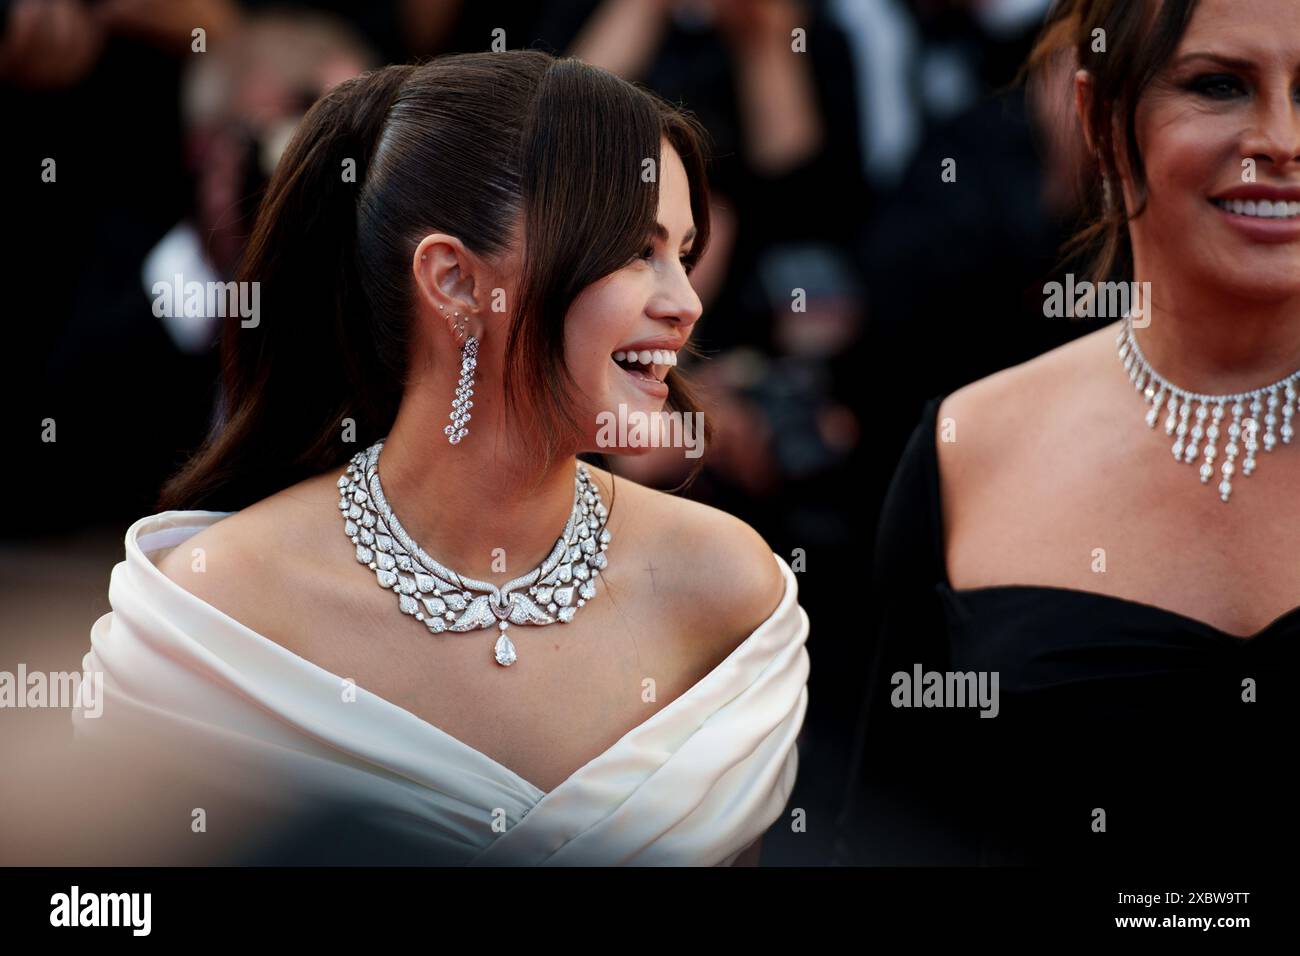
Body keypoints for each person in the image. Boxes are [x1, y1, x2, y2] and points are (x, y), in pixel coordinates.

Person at [73, 50, 810, 866]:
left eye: (685, 252)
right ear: (456, 282)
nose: (685, 303)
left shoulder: (726, 588)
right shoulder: (215, 613)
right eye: (636, 250)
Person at [836, 0, 1297, 865]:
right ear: (1100, 120)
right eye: (1219, 85)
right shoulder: (968, 446)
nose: (1279, 136)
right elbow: (889, 837)